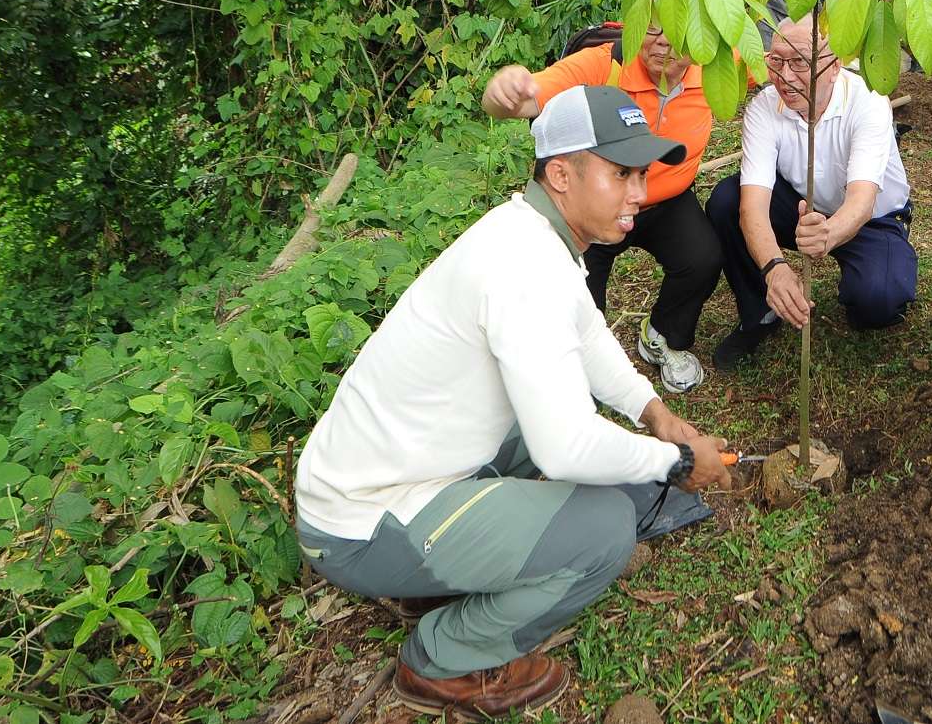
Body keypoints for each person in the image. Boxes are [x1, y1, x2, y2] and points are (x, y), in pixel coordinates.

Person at [294, 87, 731, 719]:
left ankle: (453, 569)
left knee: (550, 432)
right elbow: (567, 446)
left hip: (403, 473)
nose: (640, 192)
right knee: (605, 530)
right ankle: (441, 659)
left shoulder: (532, 232)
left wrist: (654, 413)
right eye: (621, 174)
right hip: (362, 524)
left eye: (641, 174)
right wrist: (677, 461)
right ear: (561, 173)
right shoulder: (524, 268)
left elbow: (586, 335)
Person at [481, 27, 722, 392]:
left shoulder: (718, 65)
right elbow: (524, 101)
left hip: (667, 201)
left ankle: (662, 336)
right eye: (652, 28)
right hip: (597, 207)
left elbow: (780, 60)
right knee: (578, 293)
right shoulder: (604, 65)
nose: (663, 41)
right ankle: (581, 366)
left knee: (702, 258)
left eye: (676, 28)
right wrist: (505, 92)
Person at [704, 17, 918, 367]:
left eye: (800, 62)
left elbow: (862, 202)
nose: (786, 76)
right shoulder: (764, 107)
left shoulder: (867, 101)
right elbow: (753, 207)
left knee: (878, 298)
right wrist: (775, 268)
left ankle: (865, 290)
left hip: (871, 220)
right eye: (776, 60)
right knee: (727, 200)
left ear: (834, 66)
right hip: (803, 204)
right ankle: (760, 313)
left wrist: (827, 235)